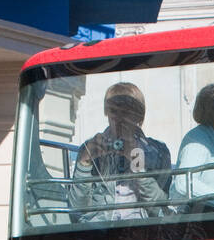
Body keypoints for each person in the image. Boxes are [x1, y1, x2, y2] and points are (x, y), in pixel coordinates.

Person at [70, 82, 172, 220]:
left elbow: (160, 208)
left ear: (139, 116)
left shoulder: (158, 151)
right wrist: (85, 162)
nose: (118, 118)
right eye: (113, 111)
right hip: (101, 232)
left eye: (125, 112)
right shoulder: (91, 147)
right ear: (106, 113)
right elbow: (78, 208)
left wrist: (137, 164)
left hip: (144, 231)